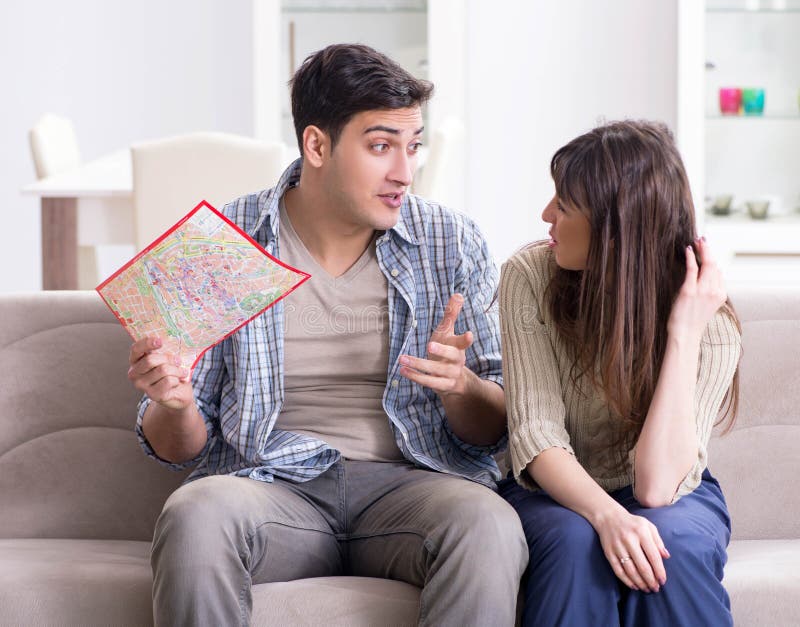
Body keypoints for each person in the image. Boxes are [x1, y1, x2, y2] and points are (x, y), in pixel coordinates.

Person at [127, 43, 527, 626]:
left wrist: (461, 388)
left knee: (489, 523)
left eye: (413, 148)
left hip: (412, 486)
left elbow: (492, 430)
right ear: (317, 145)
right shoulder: (224, 241)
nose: (404, 173)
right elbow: (174, 446)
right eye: (381, 146)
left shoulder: (451, 240)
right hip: (273, 488)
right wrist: (176, 404)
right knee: (195, 514)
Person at [497, 120, 742, 626]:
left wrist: (682, 335)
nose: (545, 216)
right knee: (573, 544)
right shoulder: (528, 276)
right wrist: (608, 516)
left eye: (562, 206)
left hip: (672, 489)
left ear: (615, 229)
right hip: (549, 489)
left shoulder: (709, 326)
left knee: (670, 547)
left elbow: (656, 489)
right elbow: (535, 434)